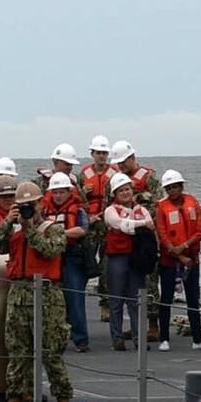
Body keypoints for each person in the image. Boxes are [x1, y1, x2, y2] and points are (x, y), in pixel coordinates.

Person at [0, 182, 73, 402]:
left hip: (46, 293)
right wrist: (8, 222)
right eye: (22, 206)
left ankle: (63, 395)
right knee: (17, 347)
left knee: (50, 348)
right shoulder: (14, 229)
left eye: (30, 205)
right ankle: (16, 394)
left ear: (41, 204)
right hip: (19, 292)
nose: (27, 210)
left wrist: (29, 227)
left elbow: (49, 250)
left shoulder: (52, 228)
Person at [109, 140, 164, 341]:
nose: (120, 167)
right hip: (124, 240)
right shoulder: (117, 181)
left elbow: (158, 205)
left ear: (133, 158)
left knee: (148, 281)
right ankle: (134, 325)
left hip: (144, 238)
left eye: (123, 162)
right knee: (127, 285)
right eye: (118, 164)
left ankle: (153, 324)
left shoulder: (149, 177)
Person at [153, 169, 201, 352]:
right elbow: (162, 235)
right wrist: (179, 254)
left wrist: (185, 247)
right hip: (170, 261)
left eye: (175, 186)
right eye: (169, 188)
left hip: (192, 260)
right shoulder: (161, 207)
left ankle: (198, 339)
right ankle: (164, 338)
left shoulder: (192, 202)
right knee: (166, 299)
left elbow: (200, 231)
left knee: (193, 299)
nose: (173, 190)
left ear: (181, 186)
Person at [103, 172, 155, 350]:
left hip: (136, 259)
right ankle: (117, 339)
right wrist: (139, 226)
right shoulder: (110, 211)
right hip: (117, 257)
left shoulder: (142, 209)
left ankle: (139, 338)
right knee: (116, 299)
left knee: (136, 300)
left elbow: (149, 225)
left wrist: (131, 225)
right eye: (121, 190)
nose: (125, 193)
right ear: (114, 194)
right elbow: (120, 225)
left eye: (127, 189)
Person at [39, 172, 90, 352]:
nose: (58, 195)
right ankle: (51, 338)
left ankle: (81, 339)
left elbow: (82, 230)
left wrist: (59, 233)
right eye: (55, 192)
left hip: (72, 257)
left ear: (69, 191)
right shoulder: (43, 211)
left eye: (61, 192)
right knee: (50, 300)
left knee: (75, 298)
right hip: (50, 257)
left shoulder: (79, 210)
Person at [81, 135, 115, 320]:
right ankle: (78, 300)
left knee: (106, 266)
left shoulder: (115, 173)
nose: (101, 156)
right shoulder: (84, 174)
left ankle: (105, 304)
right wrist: (88, 217)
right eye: (98, 153)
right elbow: (77, 201)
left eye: (104, 153)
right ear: (92, 153)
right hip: (90, 226)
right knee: (86, 263)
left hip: (108, 226)